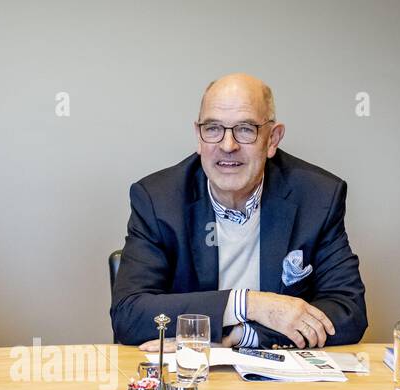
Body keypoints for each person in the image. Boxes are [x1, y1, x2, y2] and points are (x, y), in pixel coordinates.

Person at [111, 73, 367, 351]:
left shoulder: (317, 196)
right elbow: (129, 314)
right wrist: (250, 304)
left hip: (280, 383)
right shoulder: (158, 199)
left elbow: (348, 312)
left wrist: (244, 335)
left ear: (272, 139)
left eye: (245, 129)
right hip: (190, 376)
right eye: (213, 128)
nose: (227, 145)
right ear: (199, 136)